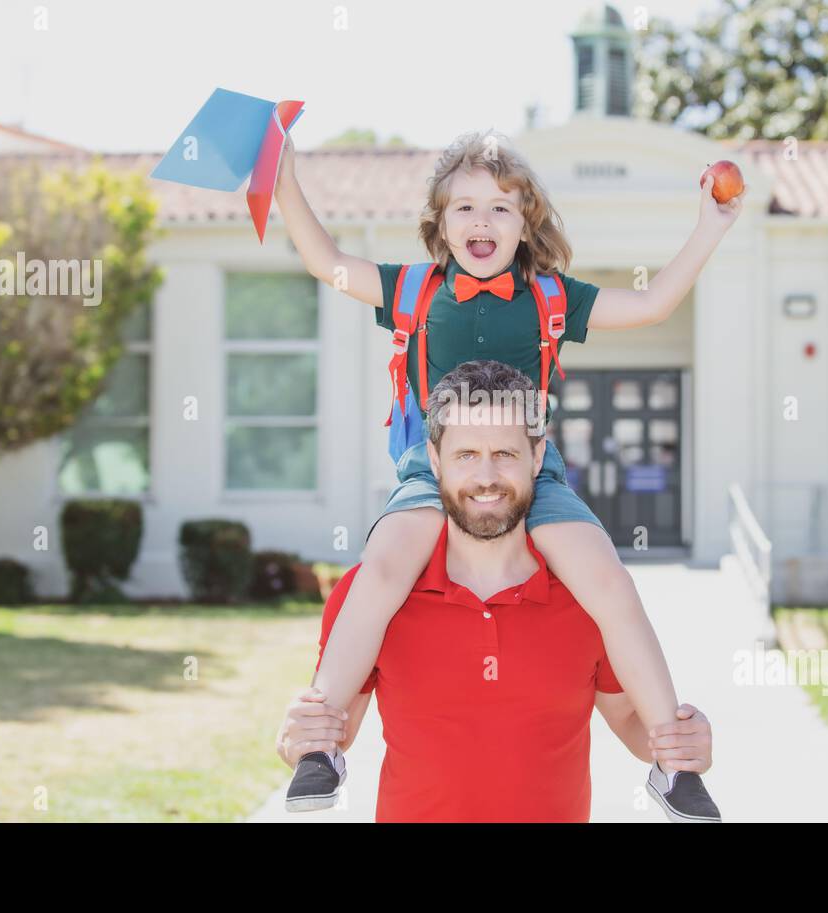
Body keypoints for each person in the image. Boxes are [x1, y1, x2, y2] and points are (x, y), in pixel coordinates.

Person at [273, 127, 743, 820]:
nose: (481, 221)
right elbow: (324, 260)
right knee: (380, 567)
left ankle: (673, 764)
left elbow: (652, 305)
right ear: (440, 225)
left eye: (501, 206)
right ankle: (322, 747)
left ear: (527, 223)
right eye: (463, 208)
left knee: (607, 575)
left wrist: (711, 225)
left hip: (534, 468)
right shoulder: (411, 288)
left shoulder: (553, 297)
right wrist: (282, 172)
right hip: (435, 469)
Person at [278, 361, 718, 822]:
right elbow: (333, 730)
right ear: (433, 461)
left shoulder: (586, 595)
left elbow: (629, 721)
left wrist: (679, 744)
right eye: (465, 454)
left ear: (536, 456)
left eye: (505, 454)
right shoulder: (376, 592)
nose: (485, 476)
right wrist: (296, 739)